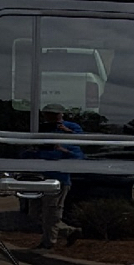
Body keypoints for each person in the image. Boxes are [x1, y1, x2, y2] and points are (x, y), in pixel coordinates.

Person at [27, 104, 84, 249]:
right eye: (47, 114)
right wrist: (32, 150)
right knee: (34, 214)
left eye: (54, 114)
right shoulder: (40, 129)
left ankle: (48, 244)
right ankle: (69, 231)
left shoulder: (72, 129)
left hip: (58, 178)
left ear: (61, 115)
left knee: (52, 213)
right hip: (39, 177)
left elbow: (79, 156)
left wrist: (64, 145)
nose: (51, 117)